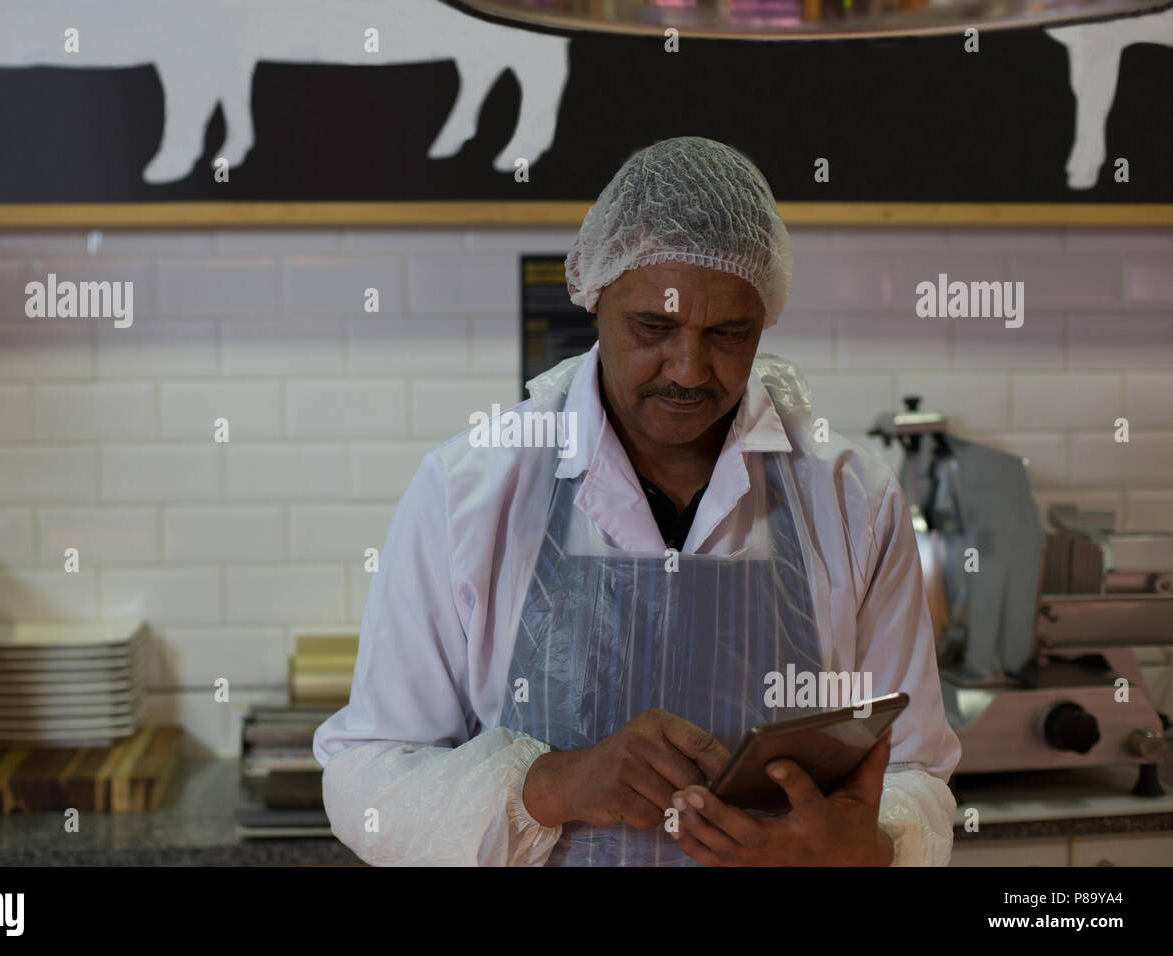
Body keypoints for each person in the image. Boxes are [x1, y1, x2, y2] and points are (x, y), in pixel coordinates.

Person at [312, 135, 961, 866]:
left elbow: (916, 771)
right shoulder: (470, 491)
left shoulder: (851, 500)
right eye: (654, 328)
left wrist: (869, 849)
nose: (689, 369)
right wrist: (549, 784)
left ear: (767, 319)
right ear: (594, 296)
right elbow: (363, 780)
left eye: (728, 334)